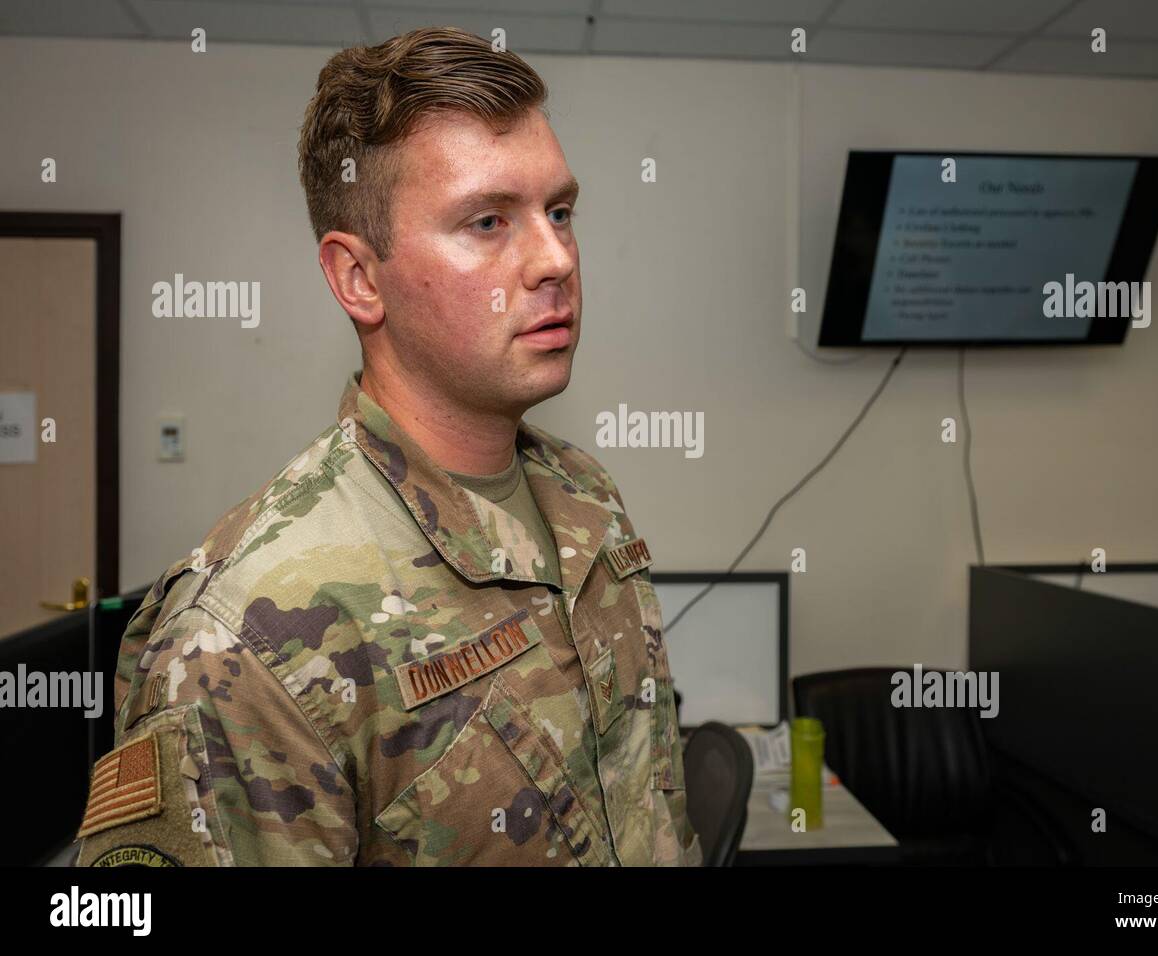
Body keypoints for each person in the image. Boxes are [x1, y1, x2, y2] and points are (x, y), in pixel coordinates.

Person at [75, 26, 702, 867]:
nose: (555, 257)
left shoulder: (585, 496)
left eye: (558, 211)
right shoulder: (247, 635)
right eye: (487, 221)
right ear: (358, 279)